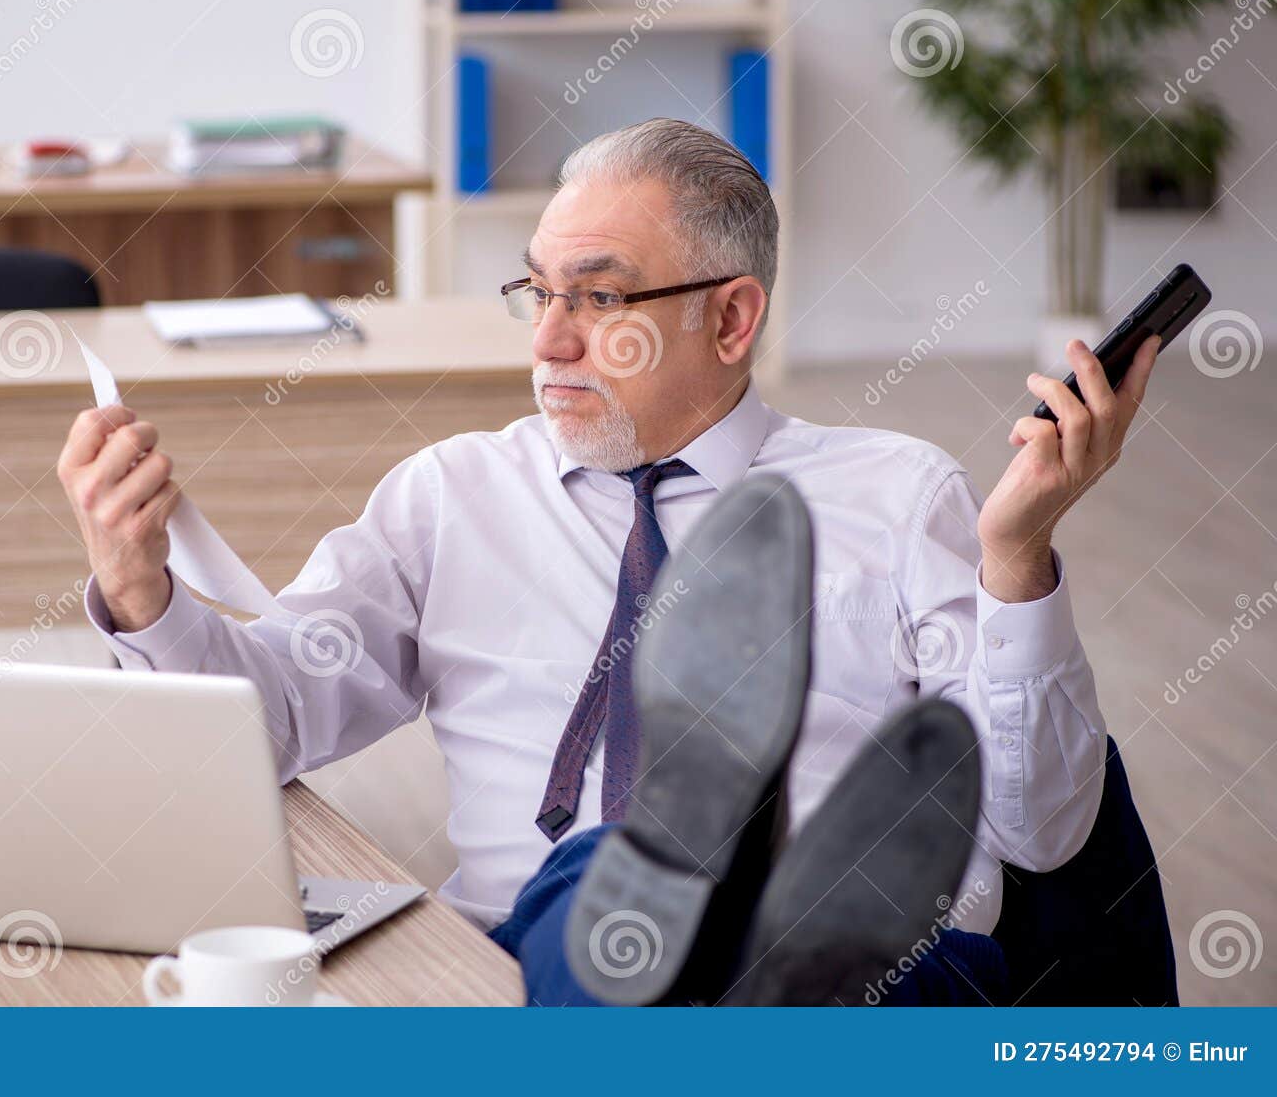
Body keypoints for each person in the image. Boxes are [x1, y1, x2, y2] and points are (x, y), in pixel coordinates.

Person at [57, 118, 1159, 1002]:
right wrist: (141, 590)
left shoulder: (897, 493)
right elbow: (273, 716)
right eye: (538, 292)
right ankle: (698, 894)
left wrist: (1016, 559)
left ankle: (744, 907)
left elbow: (1044, 830)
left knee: (666, 918)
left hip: (878, 978)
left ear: (732, 321)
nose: (546, 340)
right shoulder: (452, 497)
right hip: (541, 959)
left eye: (596, 296)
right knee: (593, 899)